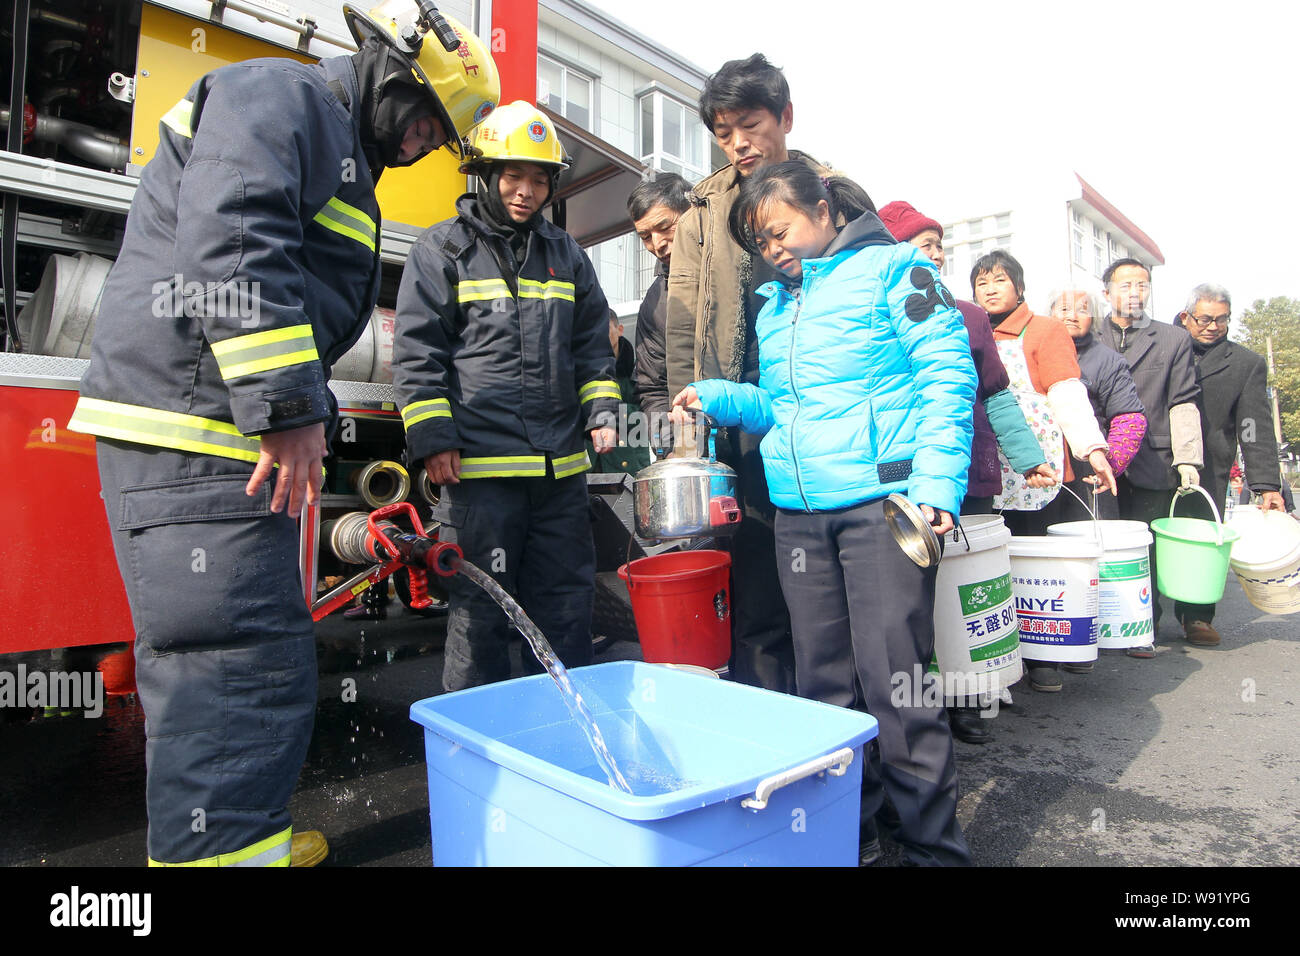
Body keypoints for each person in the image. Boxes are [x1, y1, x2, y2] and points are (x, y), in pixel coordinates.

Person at [66, 2, 499, 866]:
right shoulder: (285, 96)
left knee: (246, 664)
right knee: (234, 672)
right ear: (385, 72)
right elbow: (232, 237)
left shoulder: (328, 137)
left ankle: (242, 845)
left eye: (437, 138)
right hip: (200, 428)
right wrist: (291, 406)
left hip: (211, 429)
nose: (419, 145)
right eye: (421, 120)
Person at [673, 161, 977, 866]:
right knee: (824, 686)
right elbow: (782, 409)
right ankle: (852, 832)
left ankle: (932, 848)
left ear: (822, 207)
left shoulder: (901, 269)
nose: (774, 249)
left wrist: (936, 484)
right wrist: (718, 394)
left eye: (779, 229)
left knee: (895, 682)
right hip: (801, 518)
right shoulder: (776, 305)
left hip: (885, 506)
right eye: (761, 242)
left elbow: (946, 372)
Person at [663, 53, 872, 695]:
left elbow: (879, 301)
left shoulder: (832, 190)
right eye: (723, 134)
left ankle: (861, 729)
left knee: (842, 596)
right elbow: (681, 319)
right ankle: (774, 717)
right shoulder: (702, 212)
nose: (737, 144)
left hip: (829, 416)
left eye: (749, 125)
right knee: (754, 575)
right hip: (741, 411)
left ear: (784, 115)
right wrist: (686, 421)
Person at [392, 101, 618, 692]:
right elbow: (418, 353)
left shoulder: (567, 256)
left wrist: (601, 411)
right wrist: (433, 438)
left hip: (559, 475)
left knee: (566, 609)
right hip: (481, 476)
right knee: (482, 614)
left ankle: (564, 740)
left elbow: (593, 348)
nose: (525, 191)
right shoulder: (442, 250)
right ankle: (479, 753)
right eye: (513, 177)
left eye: (539, 179)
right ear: (486, 175)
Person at [878, 201, 1050, 744]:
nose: (934, 254)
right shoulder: (879, 316)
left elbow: (996, 397)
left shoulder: (971, 317)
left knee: (967, 586)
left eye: (937, 245)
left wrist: (1029, 458)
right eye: (921, 245)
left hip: (969, 476)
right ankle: (919, 700)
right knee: (913, 594)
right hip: (904, 475)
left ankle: (970, 699)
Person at [971, 251, 1116, 693]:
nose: (990, 289)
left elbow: (1067, 393)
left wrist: (1091, 448)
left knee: (1040, 566)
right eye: (981, 283)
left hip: (1041, 465)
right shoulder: (969, 330)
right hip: (991, 462)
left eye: (999, 280)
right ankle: (1005, 651)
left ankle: (1045, 656)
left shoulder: (1046, 330)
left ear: (1019, 285)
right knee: (1000, 562)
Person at [1094, 259, 1203, 657]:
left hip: (1153, 460)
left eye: (1142, 284)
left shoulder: (1173, 339)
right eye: (1125, 285)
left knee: (1145, 547)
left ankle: (1143, 628)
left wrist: (1188, 458)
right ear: (1106, 293)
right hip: (1097, 459)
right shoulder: (1088, 333)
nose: (1134, 292)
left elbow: (1183, 401)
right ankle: (1102, 625)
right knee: (1101, 541)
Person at [1175, 283, 1285, 645]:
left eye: (1222, 319)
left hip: (1209, 468)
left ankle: (1198, 617)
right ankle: (1140, 618)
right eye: (1205, 318)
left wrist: (1266, 484)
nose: (1213, 326)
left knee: (1202, 541)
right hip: (1154, 458)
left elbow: (1253, 427)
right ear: (1186, 316)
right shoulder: (1164, 346)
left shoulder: (1246, 363)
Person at [1046, 287, 1148, 521]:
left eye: (1082, 310)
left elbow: (1129, 418)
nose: (1072, 315)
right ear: (1050, 313)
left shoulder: (1108, 360)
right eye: (1064, 309)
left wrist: (1107, 464)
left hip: (1088, 468)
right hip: (1040, 468)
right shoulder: (1031, 349)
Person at [626, 174, 693, 454]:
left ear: (692, 214)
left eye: (665, 227)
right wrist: (670, 447)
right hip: (691, 445)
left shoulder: (737, 268)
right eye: (645, 236)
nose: (657, 243)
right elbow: (652, 388)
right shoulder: (654, 303)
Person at [587, 310, 651, 474]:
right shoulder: (583, 371)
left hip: (630, 464)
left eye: (605, 327)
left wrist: (607, 413)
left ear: (620, 329)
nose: (600, 334)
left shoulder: (640, 369)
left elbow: (649, 412)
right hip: (590, 465)